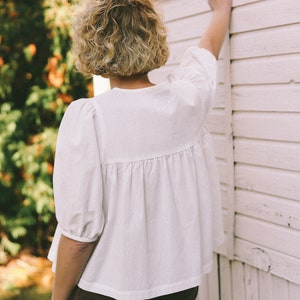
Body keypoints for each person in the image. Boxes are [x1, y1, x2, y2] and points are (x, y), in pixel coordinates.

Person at [48, 0, 232, 299]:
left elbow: (79, 236)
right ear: (153, 39)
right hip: (180, 287)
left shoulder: (91, 118)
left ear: (92, 46)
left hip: (106, 288)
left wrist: (58, 297)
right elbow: (207, 52)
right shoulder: (187, 100)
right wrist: (221, 11)